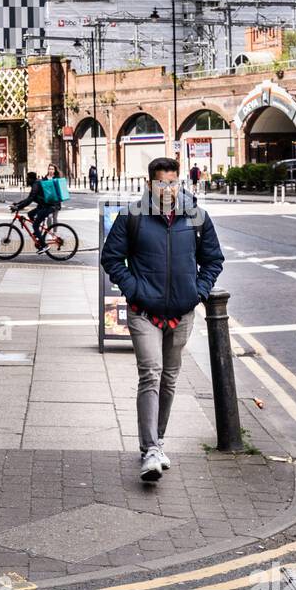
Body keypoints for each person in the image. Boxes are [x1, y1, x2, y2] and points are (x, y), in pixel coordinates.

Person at [101, 156, 224, 484]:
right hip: (144, 312)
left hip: (182, 312)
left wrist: (197, 292)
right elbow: (110, 257)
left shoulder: (196, 216)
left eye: (173, 182)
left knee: (169, 378)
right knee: (151, 374)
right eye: (161, 183)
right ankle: (150, 450)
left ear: (179, 182)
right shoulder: (132, 216)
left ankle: (158, 442)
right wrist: (134, 289)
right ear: (149, 184)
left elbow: (213, 259)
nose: (168, 189)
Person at [12, 164, 61, 249]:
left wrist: (18, 207)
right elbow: (29, 198)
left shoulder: (36, 185)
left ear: (31, 179)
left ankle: (44, 246)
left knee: (35, 225)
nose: (26, 180)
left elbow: (30, 199)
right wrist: (17, 204)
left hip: (49, 206)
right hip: (43, 206)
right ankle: (37, 232)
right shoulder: (36, 184)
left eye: (27, 178)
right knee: (30, 214)